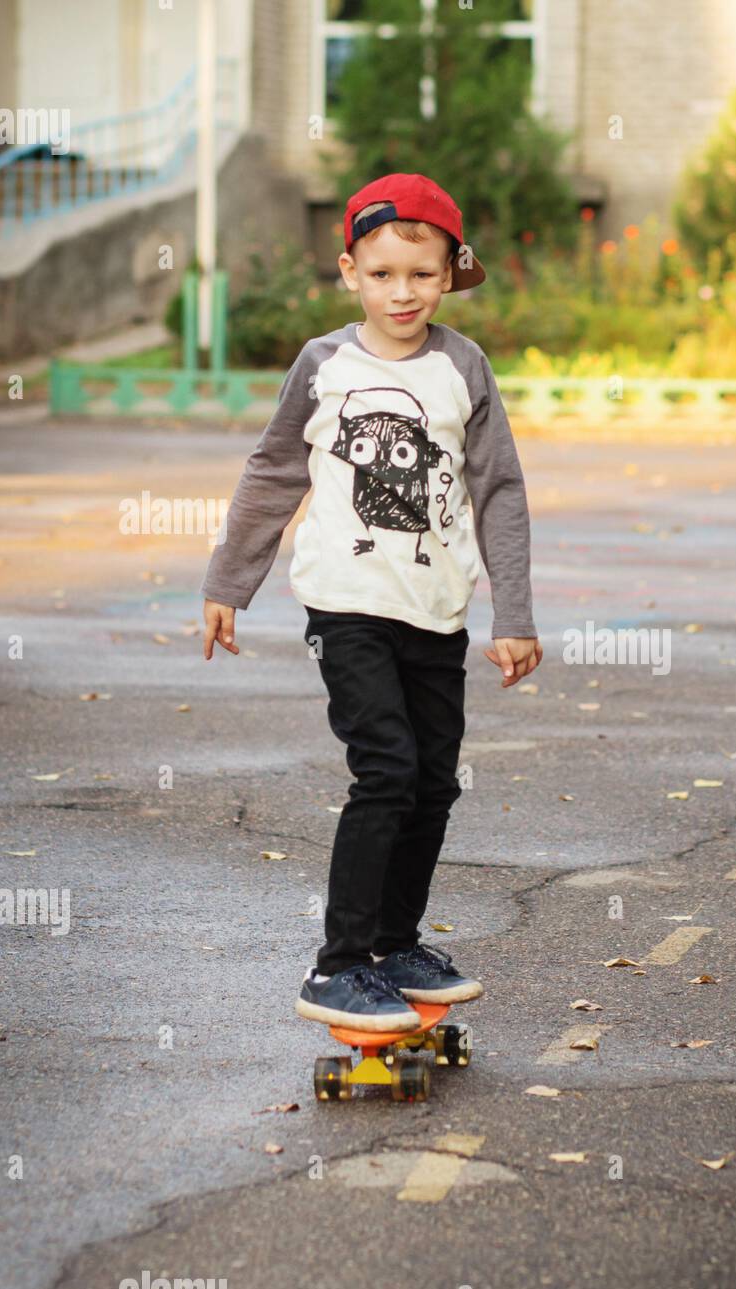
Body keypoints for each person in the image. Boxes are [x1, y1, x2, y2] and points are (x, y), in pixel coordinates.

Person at [199, 172, 541, 1032]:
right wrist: (228, 583)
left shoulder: (464, 366)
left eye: (421, 275)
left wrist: (516, 615)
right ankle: (339, 964)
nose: (402, 292)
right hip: (346, 606)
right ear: (350, 270)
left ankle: (394, 944)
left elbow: (499, 489)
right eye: (382, 273)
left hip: (437, 610)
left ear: (452, 273)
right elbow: (273, 472)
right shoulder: (324, 365)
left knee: (433, 781)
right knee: (385, 768)